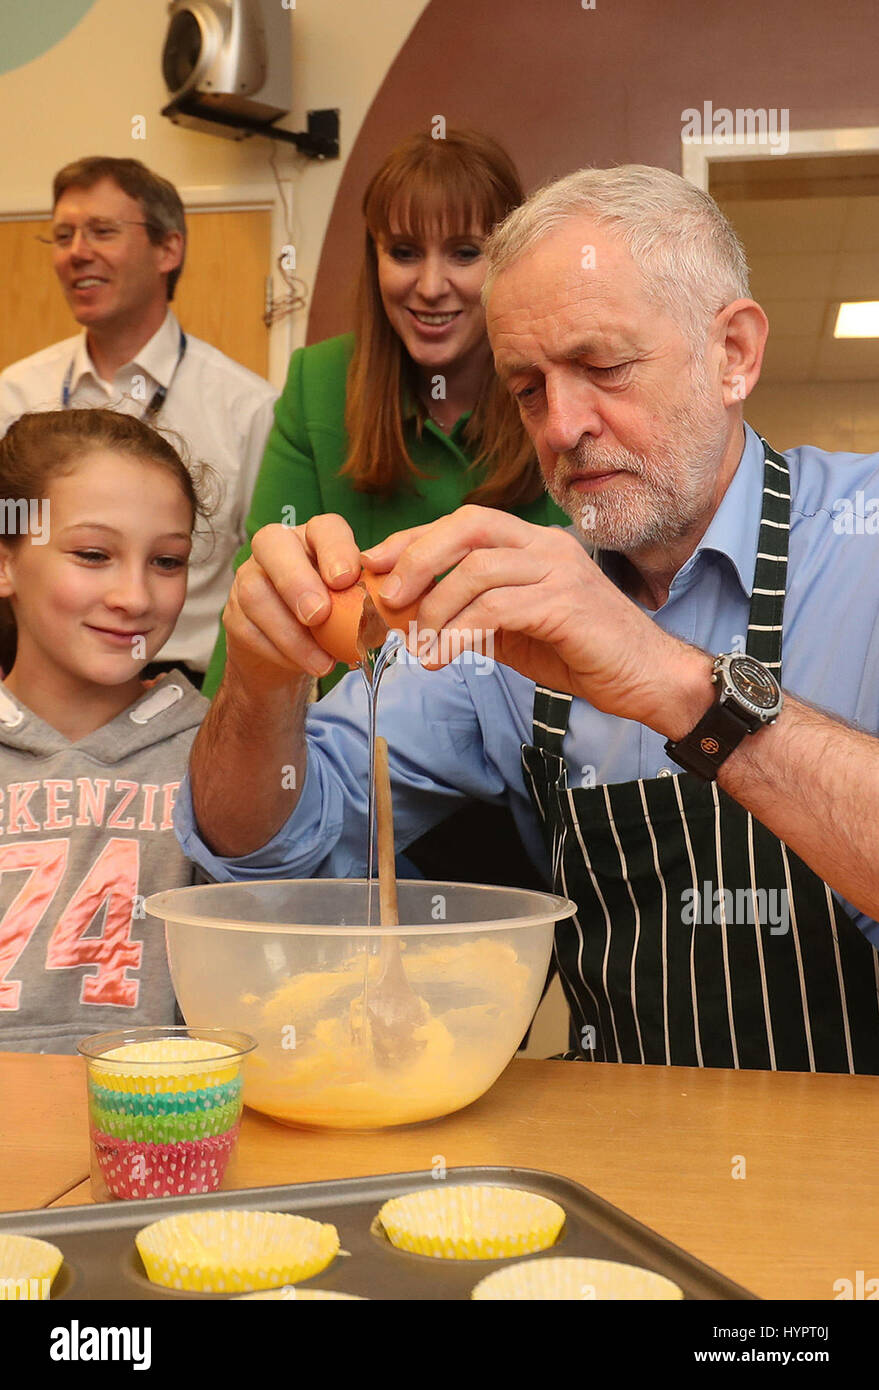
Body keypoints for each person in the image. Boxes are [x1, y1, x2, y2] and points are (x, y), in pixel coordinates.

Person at [177, 164, 879, 1075]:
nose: (560, 425)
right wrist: (262, 685)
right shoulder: (507, 617)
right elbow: (260, 856)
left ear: (733, 353)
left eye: (602, 366)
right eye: (527, 388)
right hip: (628, 1157)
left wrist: (667, 680)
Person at [201, 127, 566, 699]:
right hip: (351, 750)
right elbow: (263, 594)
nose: (430, 286)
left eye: (465, 253)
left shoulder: (557, 385)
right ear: (374, 258)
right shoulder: (317, 383)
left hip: (532, 744)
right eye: (404, 252)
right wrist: (216, 759)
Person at [0, 157, 277, 685]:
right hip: (32, 695)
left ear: (168, 249)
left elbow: (261, 578)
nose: (77, 252)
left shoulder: (246, 407)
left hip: (184, 694)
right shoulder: (15, 393)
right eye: (62, 235)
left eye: (102, 231)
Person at [0, 408, 210, 1053]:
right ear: (4, 563)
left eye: (167, 561)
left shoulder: (219, 753)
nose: (135, 597)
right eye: (94, 554)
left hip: (167, 1129)